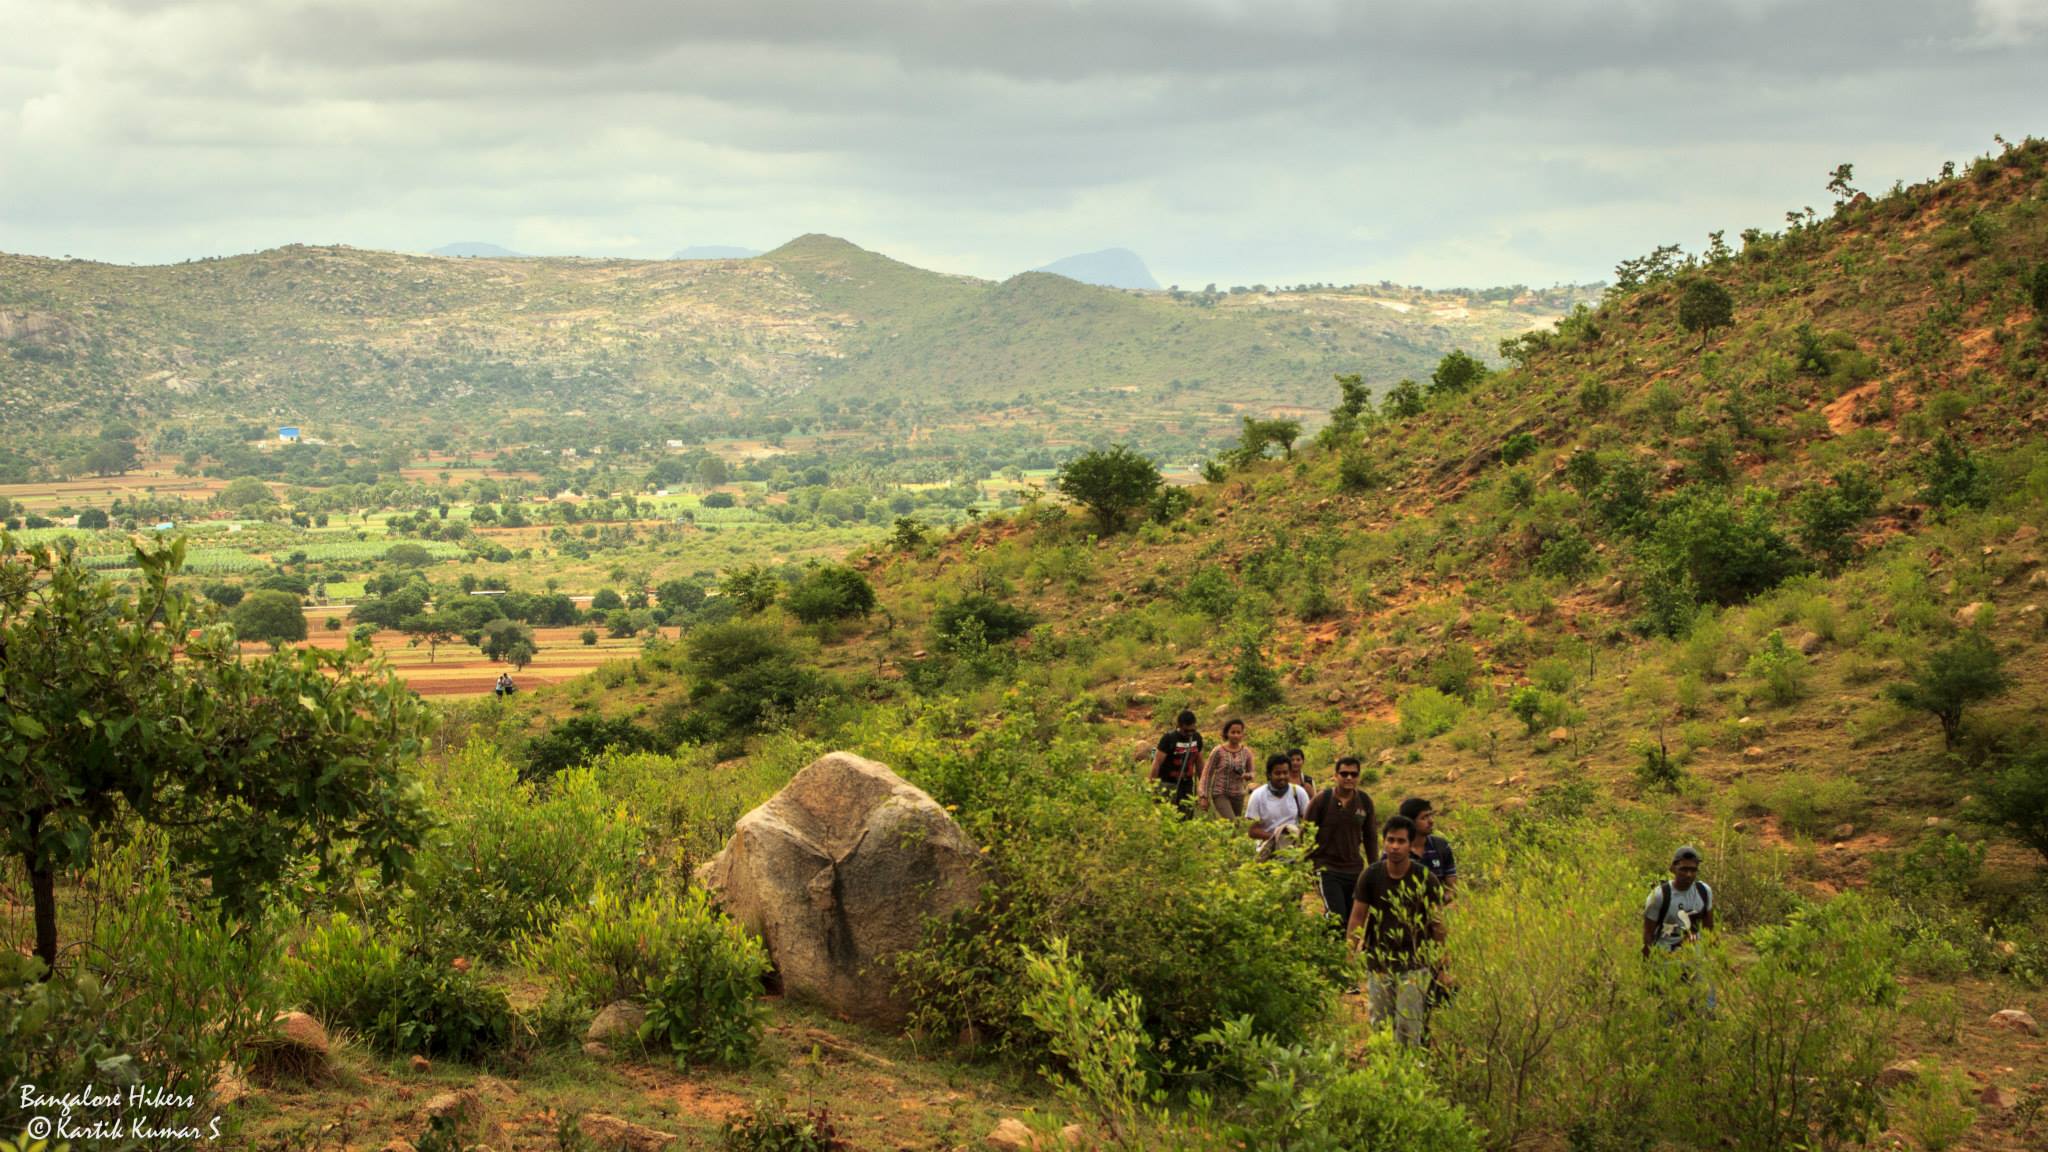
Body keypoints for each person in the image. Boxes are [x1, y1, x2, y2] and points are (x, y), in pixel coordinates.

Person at [1347, 815, 1445, 1047]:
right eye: (1390, 840)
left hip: (1415, 963)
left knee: (1409, 1027)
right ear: (1384, 842)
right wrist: (1349, 954)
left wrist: (1441, 964)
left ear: (1411, 845)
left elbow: (1438, 925)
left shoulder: (1425, 879)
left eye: (1401, 841)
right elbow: (1358, 917)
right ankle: (1383, 1068)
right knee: (1380, 1025)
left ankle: (1410, 1066)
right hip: (1379, 962)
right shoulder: (1371, 876)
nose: (1395, 846)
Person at [1305, 755, 1377, 926]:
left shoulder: (1364, 801)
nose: (1349, 778)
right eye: (1344, 774)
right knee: (1336, 917)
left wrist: (1374, 869)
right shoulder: (1322, 800)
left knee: (1351, 920)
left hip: (1354, 869)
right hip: (1326, 868)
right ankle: (1327, 941)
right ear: (1335, 776)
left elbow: (1370, 837)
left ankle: (1328, 940)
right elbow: (1306, 835)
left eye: (1354, 774)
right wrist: (1305, 867)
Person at [1642, 845, 1715, 957]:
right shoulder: (1659, 896)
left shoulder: (1704, 891)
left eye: (1693, 870)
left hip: (1695, 958)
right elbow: (1648, 934)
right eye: (1683, 869)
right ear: (1673, 869)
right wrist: (1648, 961)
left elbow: (1709, 930)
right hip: (1665, 958)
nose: (1688, 874)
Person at [1246, 753, 1313, 860]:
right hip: (1267, 849)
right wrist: (1277, 838)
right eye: (1277, 773)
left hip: (1294, 849)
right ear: (1269, 775)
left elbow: (1308, 822)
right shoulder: (1258, 796)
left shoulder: (1298, 792)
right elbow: (1252, 831)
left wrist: (1297, 838)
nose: (1282, 777)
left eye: (1285, 773)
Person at [1150, 710, 1206, 814]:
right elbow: (1157, 763)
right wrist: (1152, 787)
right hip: (1168, 784)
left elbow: (1199, 763)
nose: (1189, 734)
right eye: (1186, 731)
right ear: (1179, 726)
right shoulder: (1169, 738)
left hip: (1187, 784)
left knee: (1187, 815)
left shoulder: (1197, 738)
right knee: (1168, 816)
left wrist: (1203, 788)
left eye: (1192, 730)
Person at [1399, 797, 1458, 894]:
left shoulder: (1441, 846)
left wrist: (1441, 901)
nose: (1431, 821)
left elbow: (1451, 887)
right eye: (1424, 818)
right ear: (1409, 822)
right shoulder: (1396, 850)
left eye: (1431, 815)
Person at [1198, 718, 1254, 820]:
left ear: (1242, 734)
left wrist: (1248, 775)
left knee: (1236, 825)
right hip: (1220, 793)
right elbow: (1207, 773)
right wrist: (1203, 796)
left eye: (1238, 732)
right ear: (1227, 733)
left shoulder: (1246, 752)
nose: (1236, 735)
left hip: (1238, 794)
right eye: (1233, 732)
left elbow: (1252, 772)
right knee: (1231, 822)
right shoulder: (1218, 751)